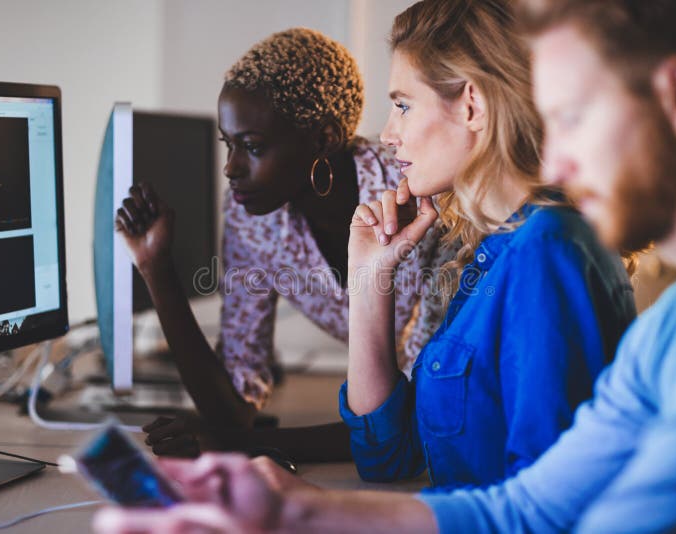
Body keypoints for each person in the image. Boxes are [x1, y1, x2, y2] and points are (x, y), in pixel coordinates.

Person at [94, 0, 676, 532]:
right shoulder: (514, 259)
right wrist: (293, 510)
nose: (559, 157)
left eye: (571, 115)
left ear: (473, 106)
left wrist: (295, 501)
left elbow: (535, 518)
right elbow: (451, 479)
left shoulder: (544, 248)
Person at [116, 28, 453, 460]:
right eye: (228, 144)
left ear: (324, 139)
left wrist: (239, 446)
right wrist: (156, 268)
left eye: (252, 147)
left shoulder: (416, 194)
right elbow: (234, 401)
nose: (231, 168)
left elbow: (423, 417)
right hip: (386, 426)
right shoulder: (252, 217)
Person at [340, 0, 634, 487]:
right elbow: (387, 460)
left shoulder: (544, 251)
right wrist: (369, 280)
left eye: (403, 105)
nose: (387, 135)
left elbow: (545, 502)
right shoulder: (499, 248)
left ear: (472, 105)